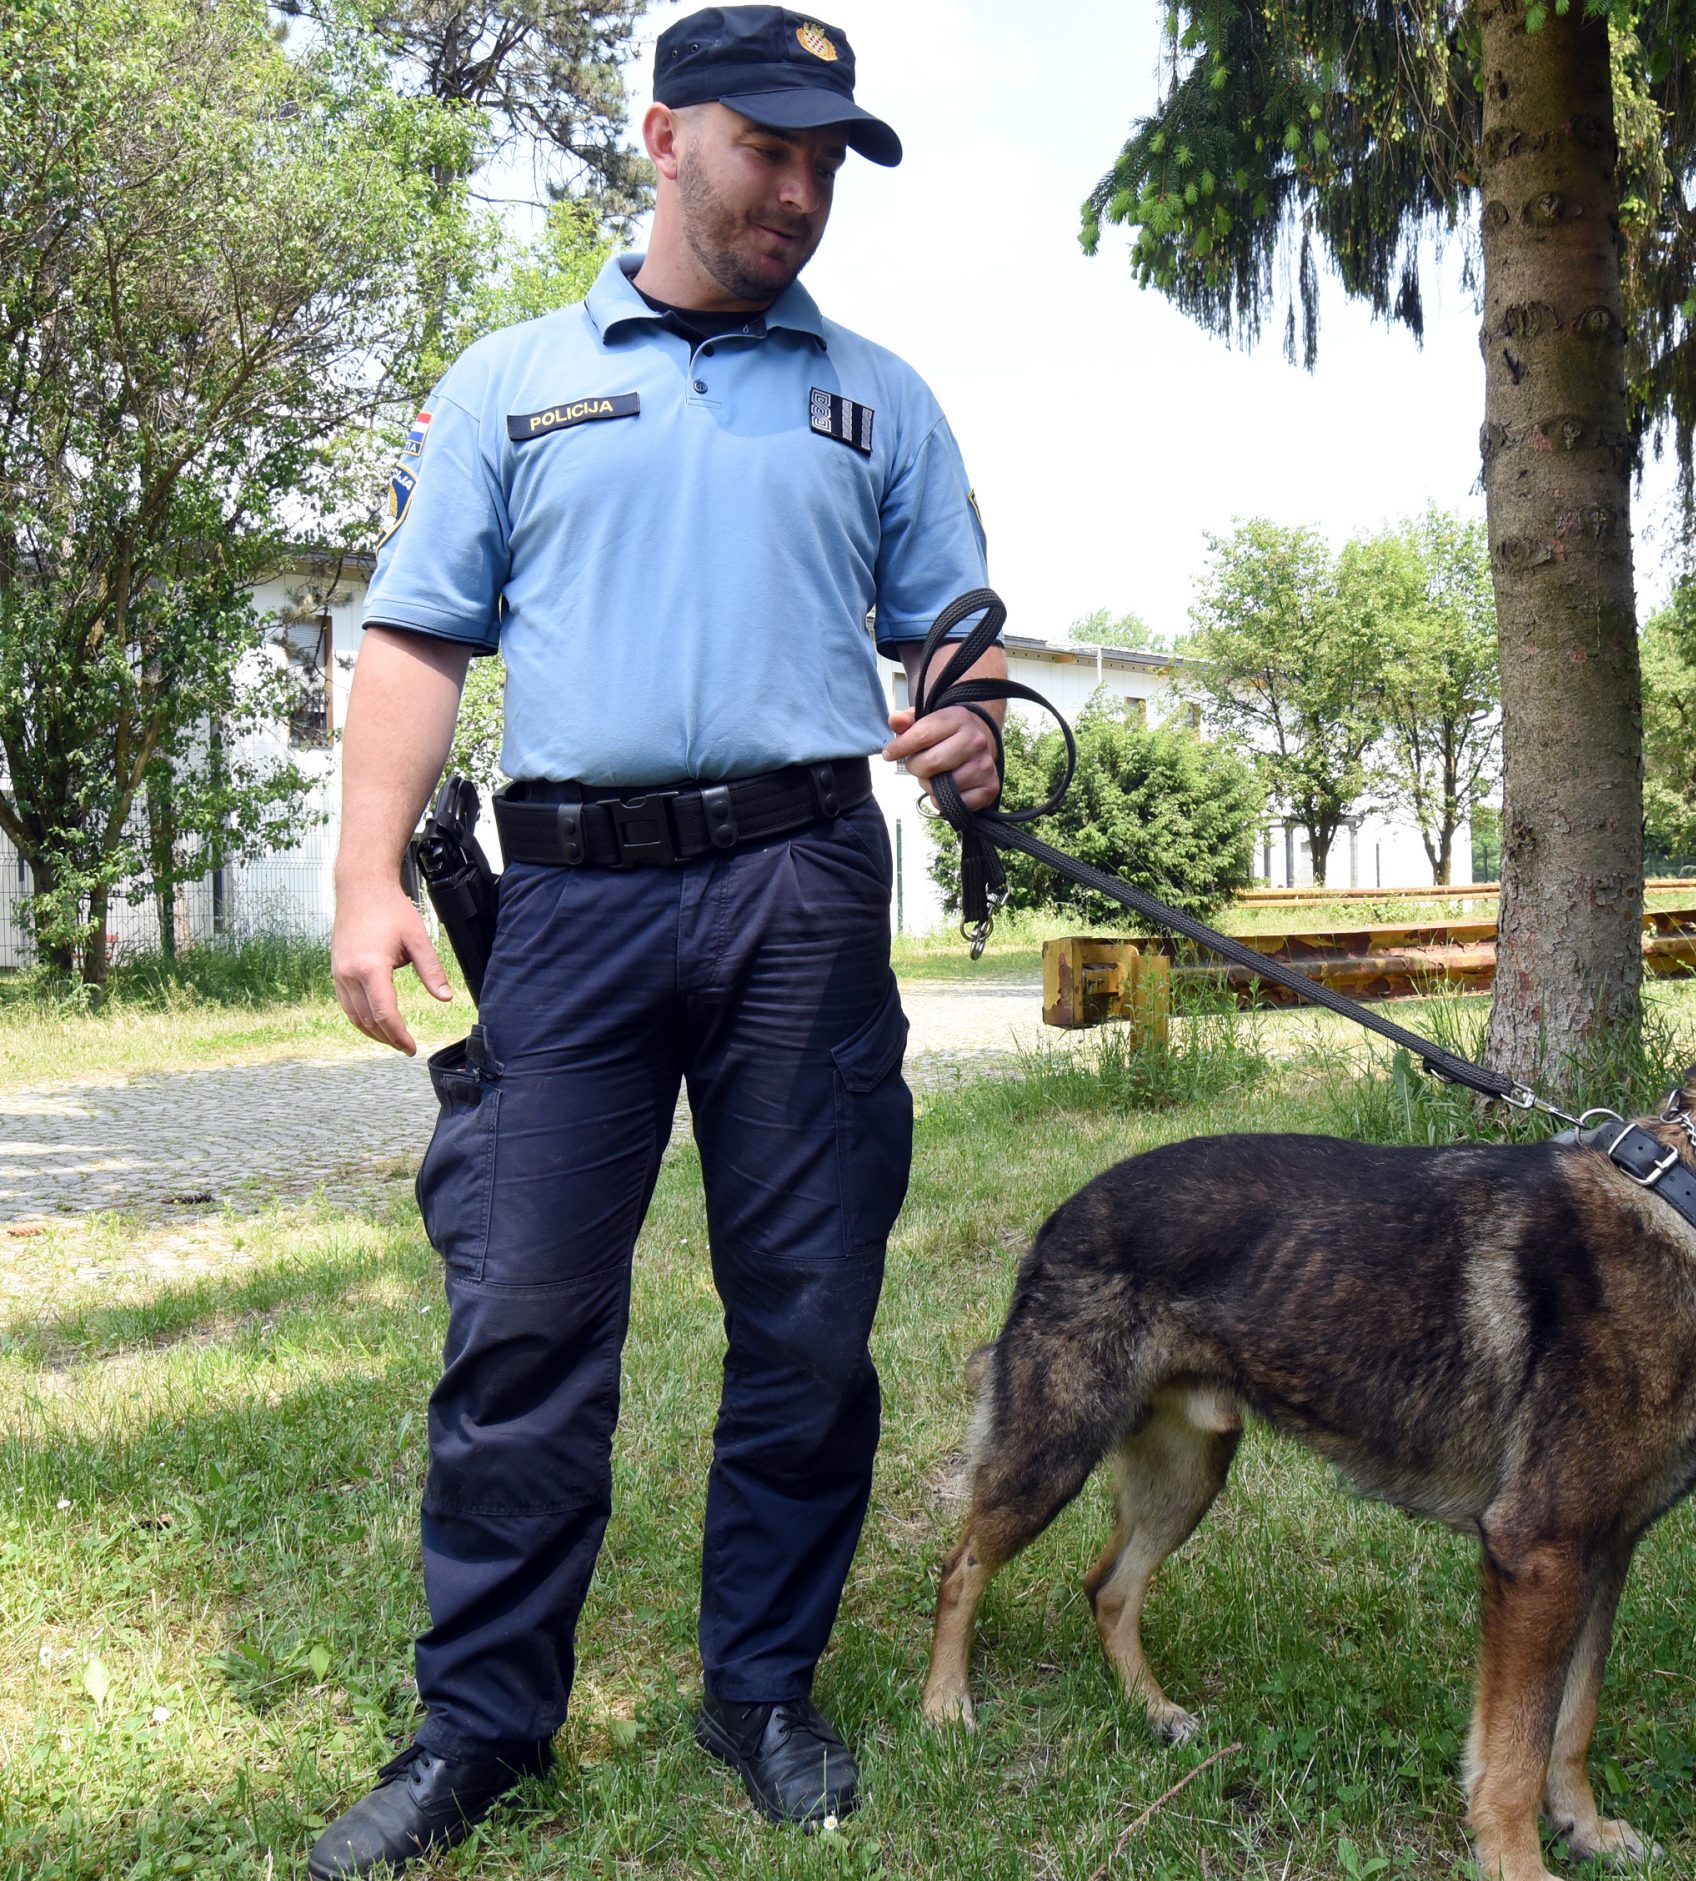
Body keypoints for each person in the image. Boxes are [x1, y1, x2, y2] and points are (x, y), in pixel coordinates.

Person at [314, 10, 1003, 1874]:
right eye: (765, 149)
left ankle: (761, 1685)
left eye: (824, 164)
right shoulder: (512, 382)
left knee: (805, 1314)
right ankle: (482, 1724)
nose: (796, 190)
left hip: (801, 892)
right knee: (525, 1312)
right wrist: (370, 873)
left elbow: (960, 640)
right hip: (572, 901)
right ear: (661, 137)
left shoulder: (882, 397)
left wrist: (975, 725)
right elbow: (414, 639)